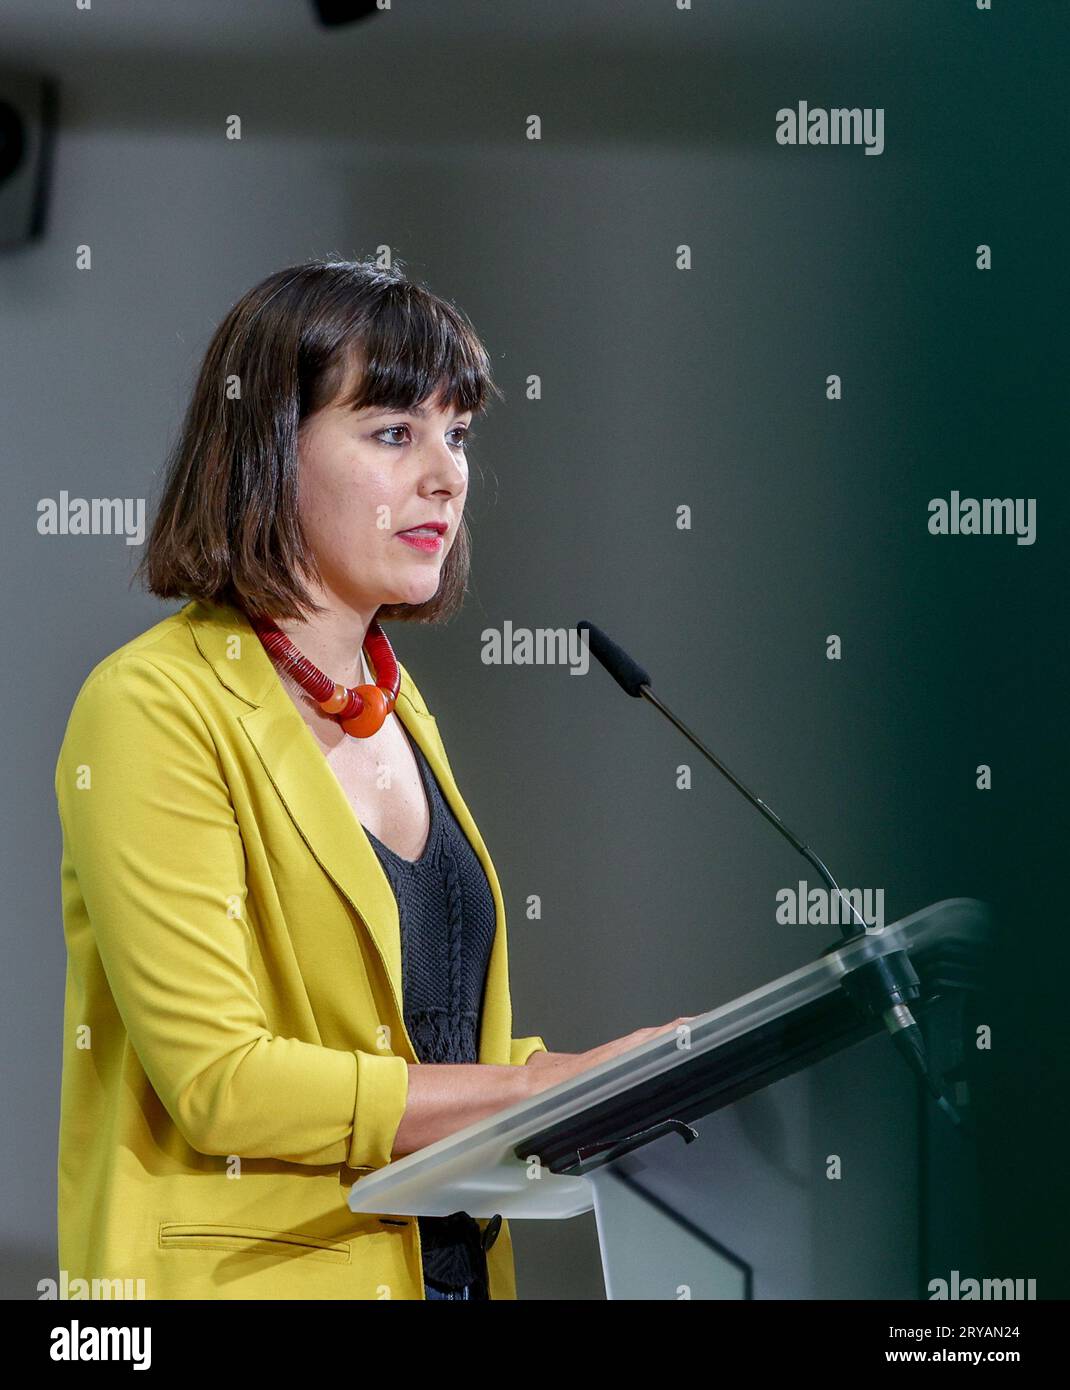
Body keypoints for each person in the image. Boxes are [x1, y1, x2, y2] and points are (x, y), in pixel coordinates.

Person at [54, 256, 689, 1300]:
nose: (444, 474)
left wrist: (608, 1083)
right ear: (266, 450)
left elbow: (419, 1035)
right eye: (395, 432)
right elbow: (221, 1082)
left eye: (458, 435)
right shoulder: (151, 706)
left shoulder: (401, 707)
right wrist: (530, 1087)